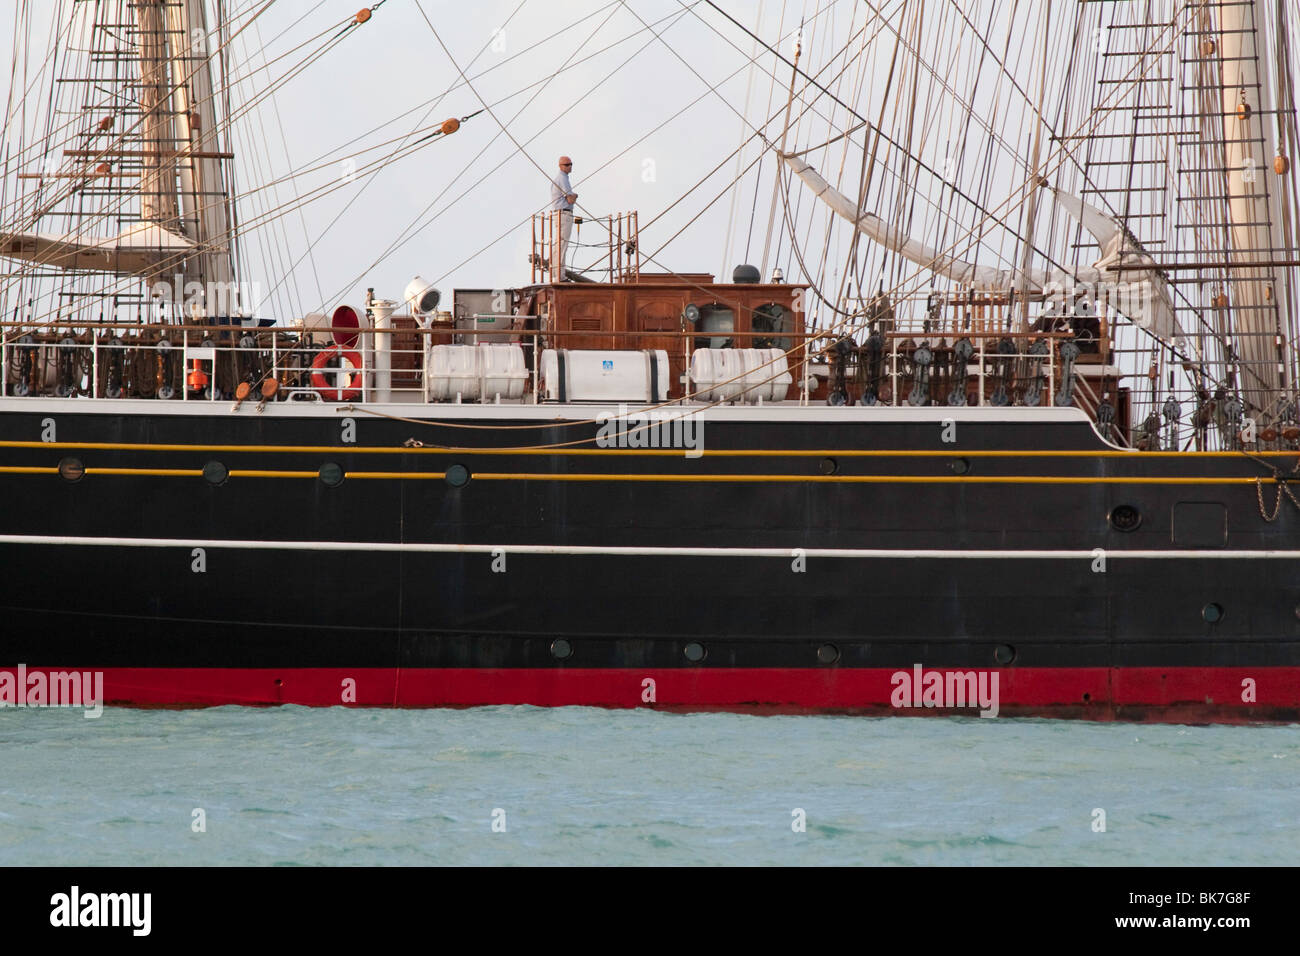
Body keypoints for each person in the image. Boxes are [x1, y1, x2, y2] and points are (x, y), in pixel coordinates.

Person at [549, 156, 577, 278]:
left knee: (559, 244)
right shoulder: (562, 179)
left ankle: (556, 272)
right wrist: (576, 195)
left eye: (571, 164)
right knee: (562, 244)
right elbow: (570, 199)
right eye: (567, 165)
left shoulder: (561, 178)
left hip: (559, 214)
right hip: (564, 214)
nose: (569, 166)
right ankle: (559, 275)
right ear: (560, 166)